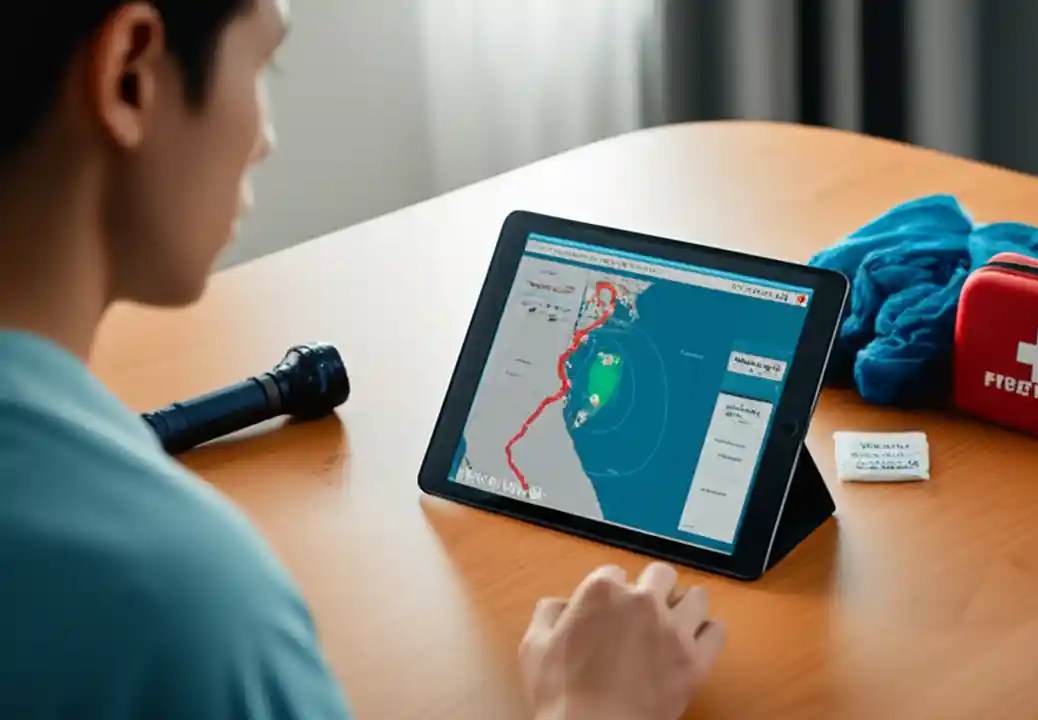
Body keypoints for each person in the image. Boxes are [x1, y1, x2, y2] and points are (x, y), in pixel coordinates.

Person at [0, 2, 725, 718]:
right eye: (263, 64)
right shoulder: (183, 612)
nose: (265, 140)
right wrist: (593, 708)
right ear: (131, 76)